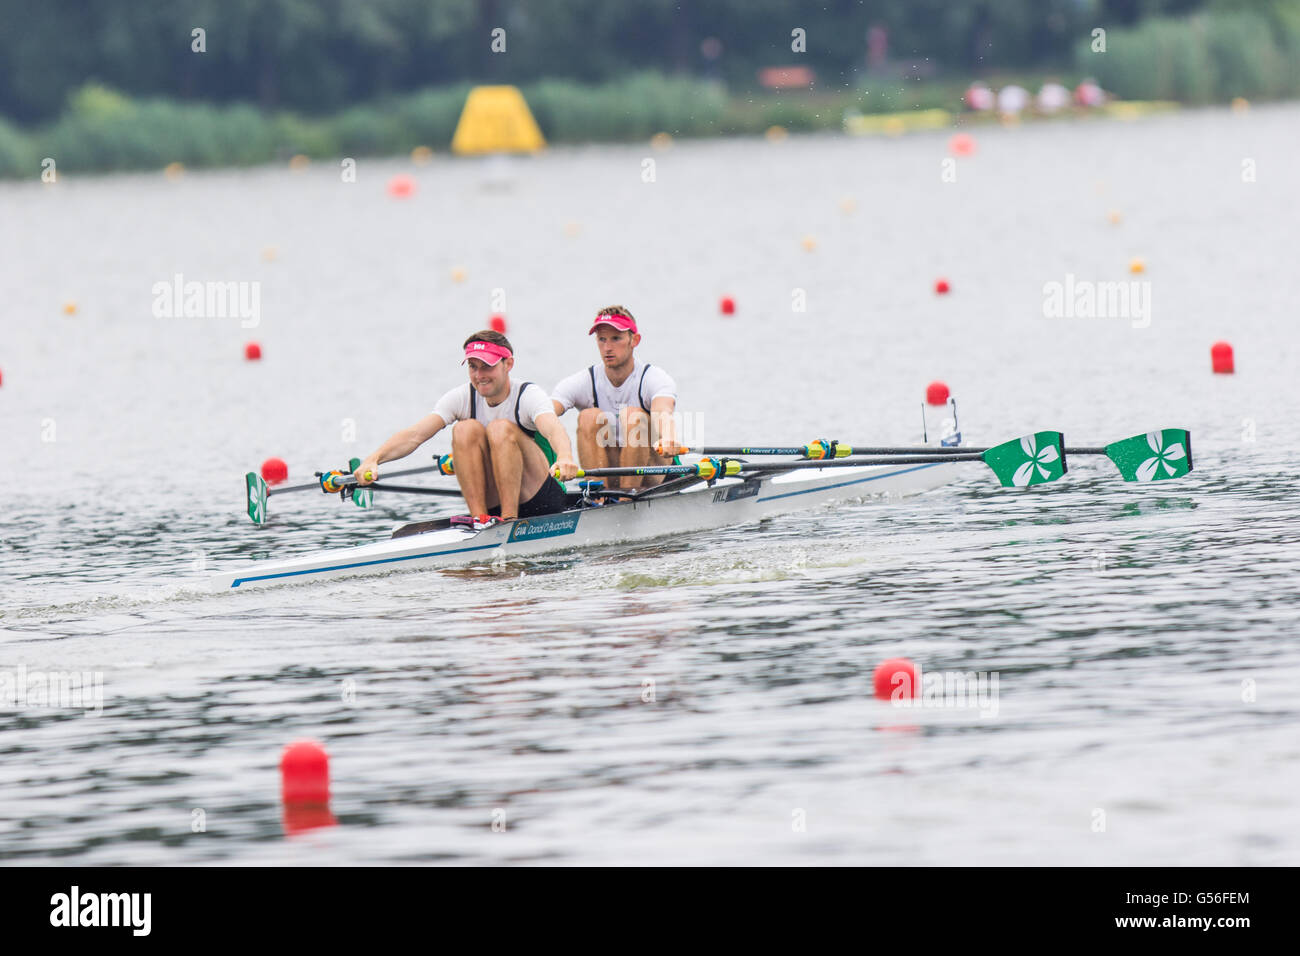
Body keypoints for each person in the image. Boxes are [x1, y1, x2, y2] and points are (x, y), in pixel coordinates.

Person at [354, 330, 579, 529]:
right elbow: (415, 435)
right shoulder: (462, 397)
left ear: (508, 364)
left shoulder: (529, 395)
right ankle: (481, 520)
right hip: (495, 500)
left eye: (487, 366)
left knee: (500, 428)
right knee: (464, 429)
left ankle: (509, 521)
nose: (479, 376)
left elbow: (553, 428)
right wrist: (374, 459)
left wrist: (565, 457)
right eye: (473, 367)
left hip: (541, 498)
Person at [550, 305, 678, 490]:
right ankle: (600, 498)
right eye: (602, 340)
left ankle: (626, 497)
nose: (607, 348)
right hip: (610, 470)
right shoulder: (584, 381)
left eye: (616, 338)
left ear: (635, 340)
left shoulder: (654, 378)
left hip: (652, 471)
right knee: (588, 416)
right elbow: (545, 413)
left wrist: (668, 438)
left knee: (633, 416)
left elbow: (663, 413)